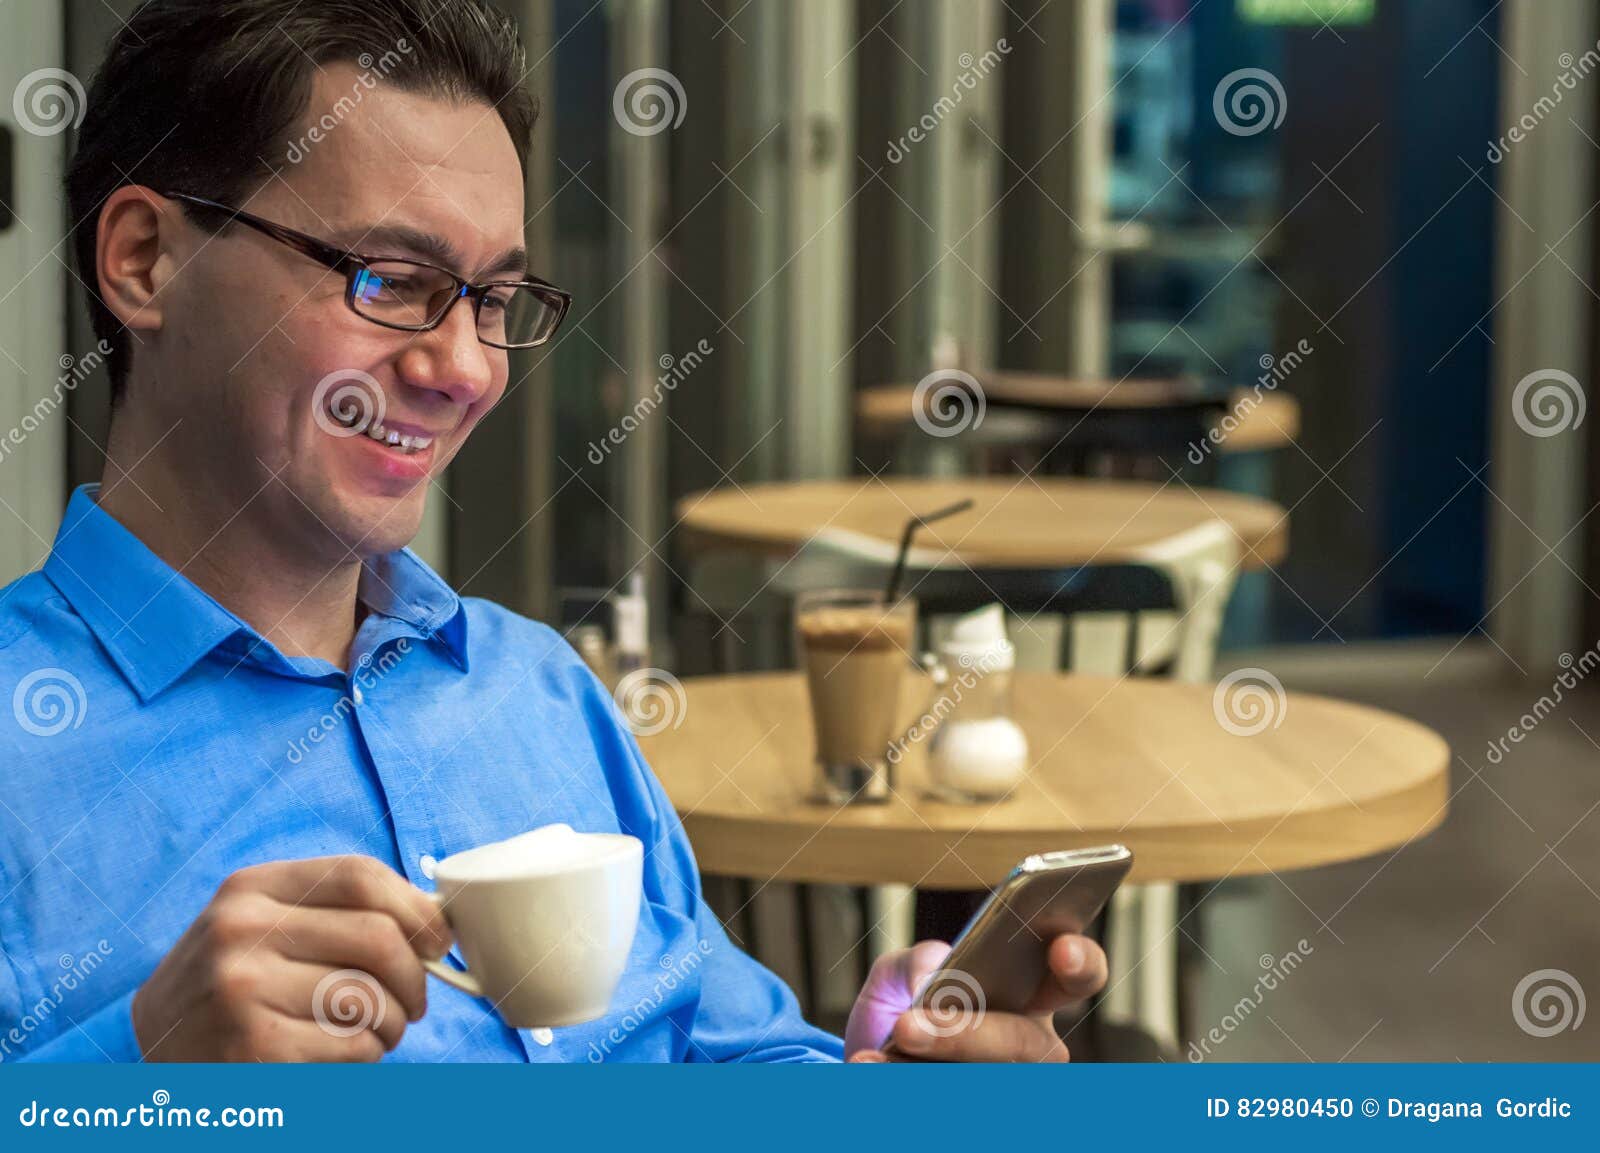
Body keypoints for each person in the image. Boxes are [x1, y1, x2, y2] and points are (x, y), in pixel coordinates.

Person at [0, 0, 1107, 1063]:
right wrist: (135, 1075)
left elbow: (729, 1052)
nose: (466, 371)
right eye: (390, 280)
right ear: (146, 259)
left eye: (492, 300)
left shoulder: (540, 689)